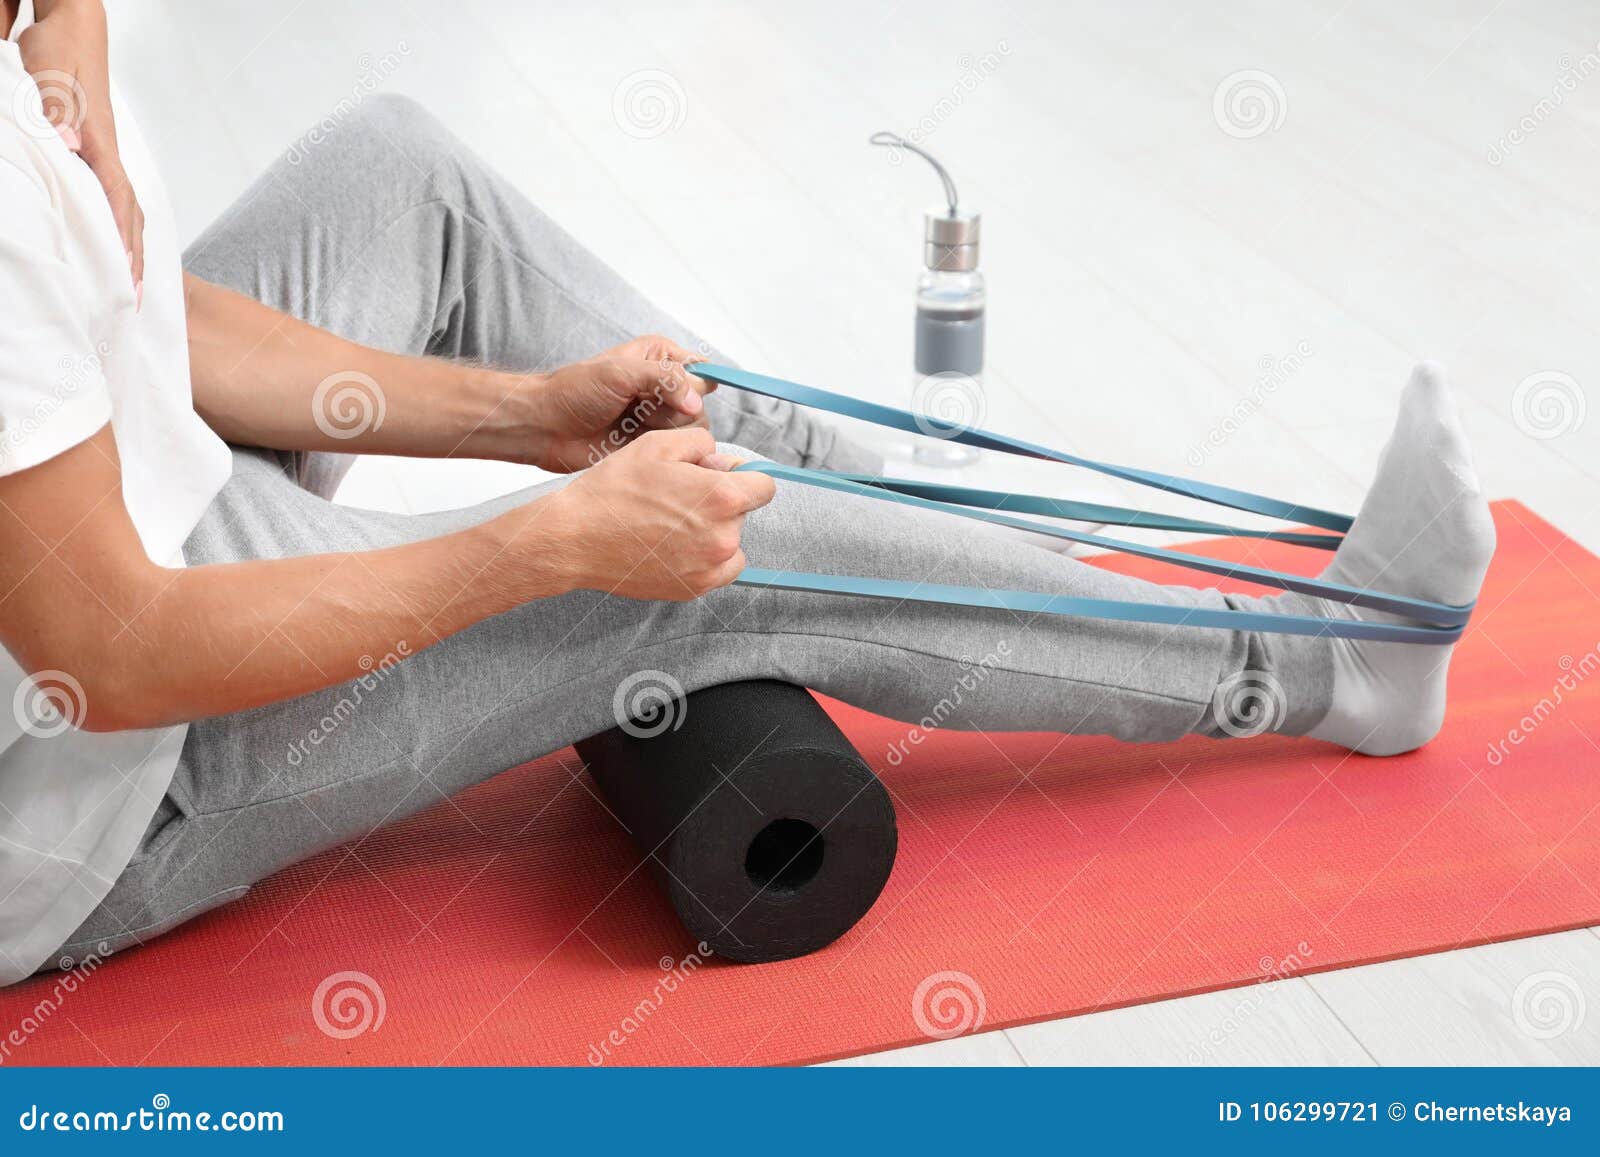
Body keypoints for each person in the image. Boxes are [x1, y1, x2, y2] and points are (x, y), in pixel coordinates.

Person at [0, 0, 1495, 987]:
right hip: (108, 772)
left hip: (123, 508)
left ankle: (892, 494)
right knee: (728, 557)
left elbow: (141, 327)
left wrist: (529, 416)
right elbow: (110, 656)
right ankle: (1325, 667)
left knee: (397, 175)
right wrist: (548, 545)